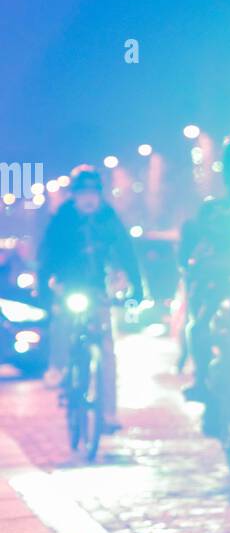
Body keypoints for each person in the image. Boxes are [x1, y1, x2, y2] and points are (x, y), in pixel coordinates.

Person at [38, 164, 143, 432]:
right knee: (61, 323)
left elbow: (126, 251)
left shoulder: (109, 218)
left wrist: (136, 287)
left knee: (106, 349)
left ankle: (108, 414)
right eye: (82, 192)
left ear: (100, 195)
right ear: (73, 195)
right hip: (70, 286)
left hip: (98, 289)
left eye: (93, 192)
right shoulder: (62, 219)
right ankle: (57, 367)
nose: (88, 198)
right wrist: (45, 286)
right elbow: (47, 254)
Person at [178, 128, 230, 401]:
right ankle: (202, 377)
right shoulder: (215, 209)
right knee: (201, 322)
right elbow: (194, 245)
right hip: (226, 281)